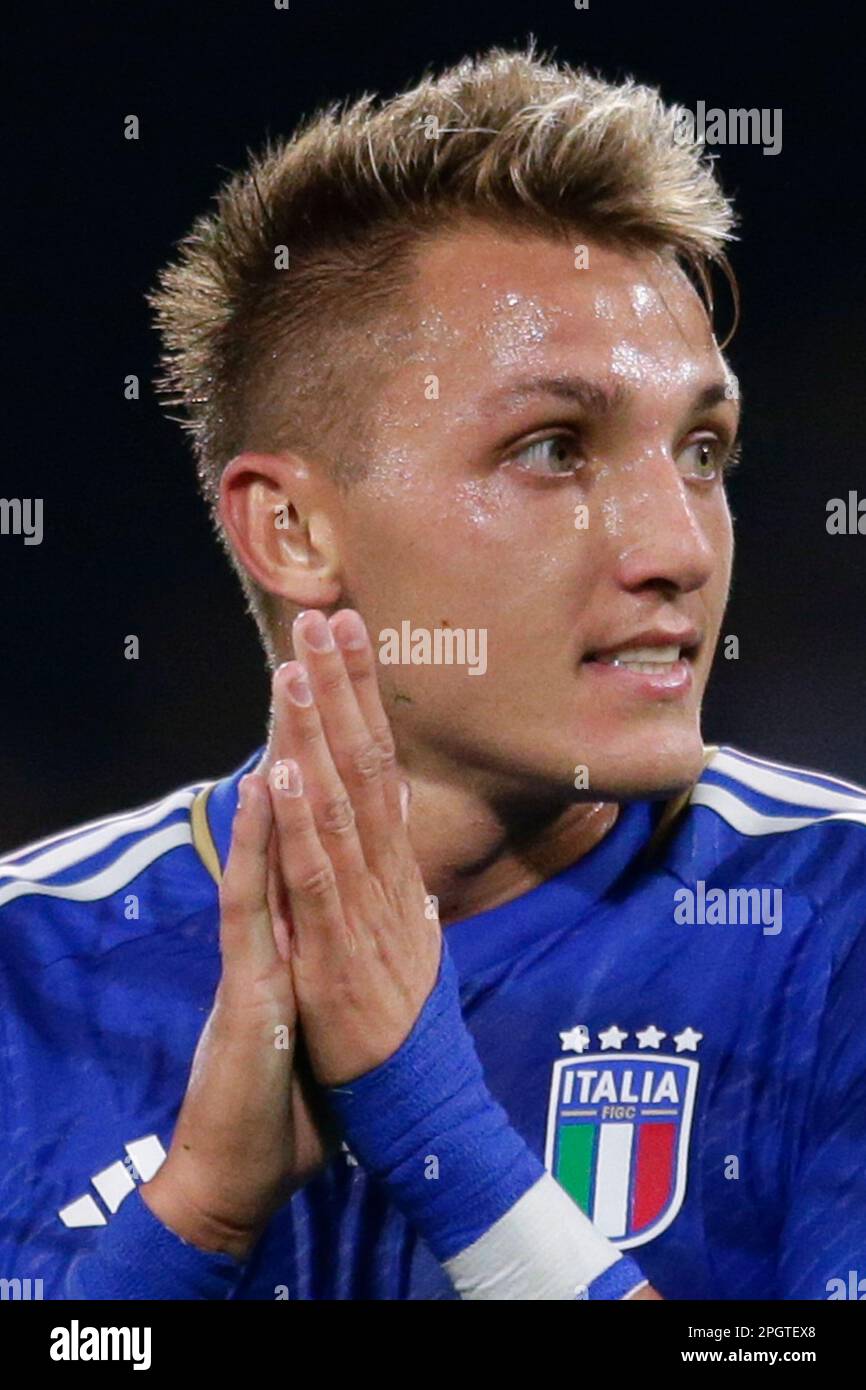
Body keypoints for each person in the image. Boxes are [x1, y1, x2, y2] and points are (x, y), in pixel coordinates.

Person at [1, 42, 864, 1301]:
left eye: (700, 450)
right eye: (554, 449)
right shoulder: (29, 971)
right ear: (291, 530)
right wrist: (192, 1218)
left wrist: (434, 1131)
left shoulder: (831, 925)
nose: (678, 547)